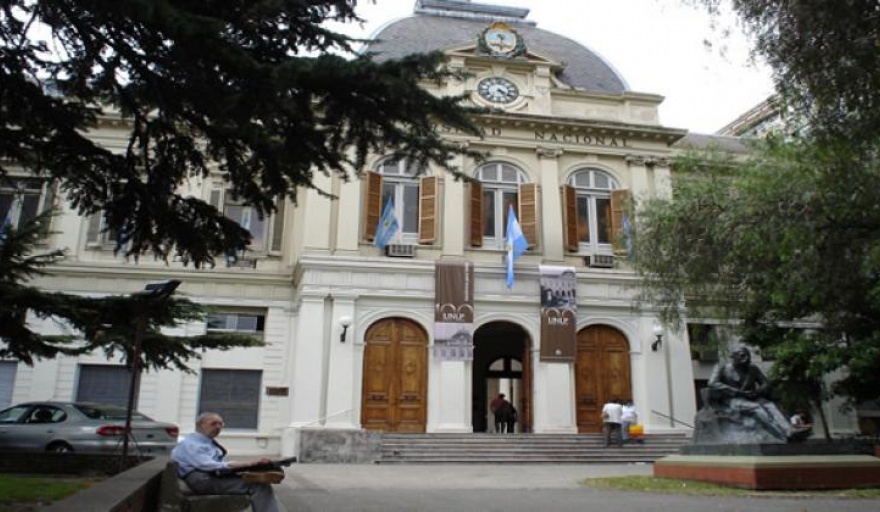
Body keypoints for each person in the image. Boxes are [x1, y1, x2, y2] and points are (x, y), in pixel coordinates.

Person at [171, 412, 281, 512]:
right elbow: (209, 465)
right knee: (258, 486)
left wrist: (247, 468)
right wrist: (248, 464)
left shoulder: (204, 442)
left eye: (221, 424)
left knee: (254, 479)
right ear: (200, 425)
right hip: (202, 480)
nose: (218, 427)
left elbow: (215, 466)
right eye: (213, 424)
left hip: (208, 477)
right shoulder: (192, 444)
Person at [707, 347, 804, 442]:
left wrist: (757, 392)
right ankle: (781, 434)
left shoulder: (752, 369)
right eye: (742, 356)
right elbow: (712, 383)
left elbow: (765, 383)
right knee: (757, 407)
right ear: (734, 357)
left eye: (748, 356)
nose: (747, 359)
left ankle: (789, 430)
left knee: (770, 406)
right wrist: (737, 391)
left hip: (752, 397)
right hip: (733, 400)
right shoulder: (722, 367)